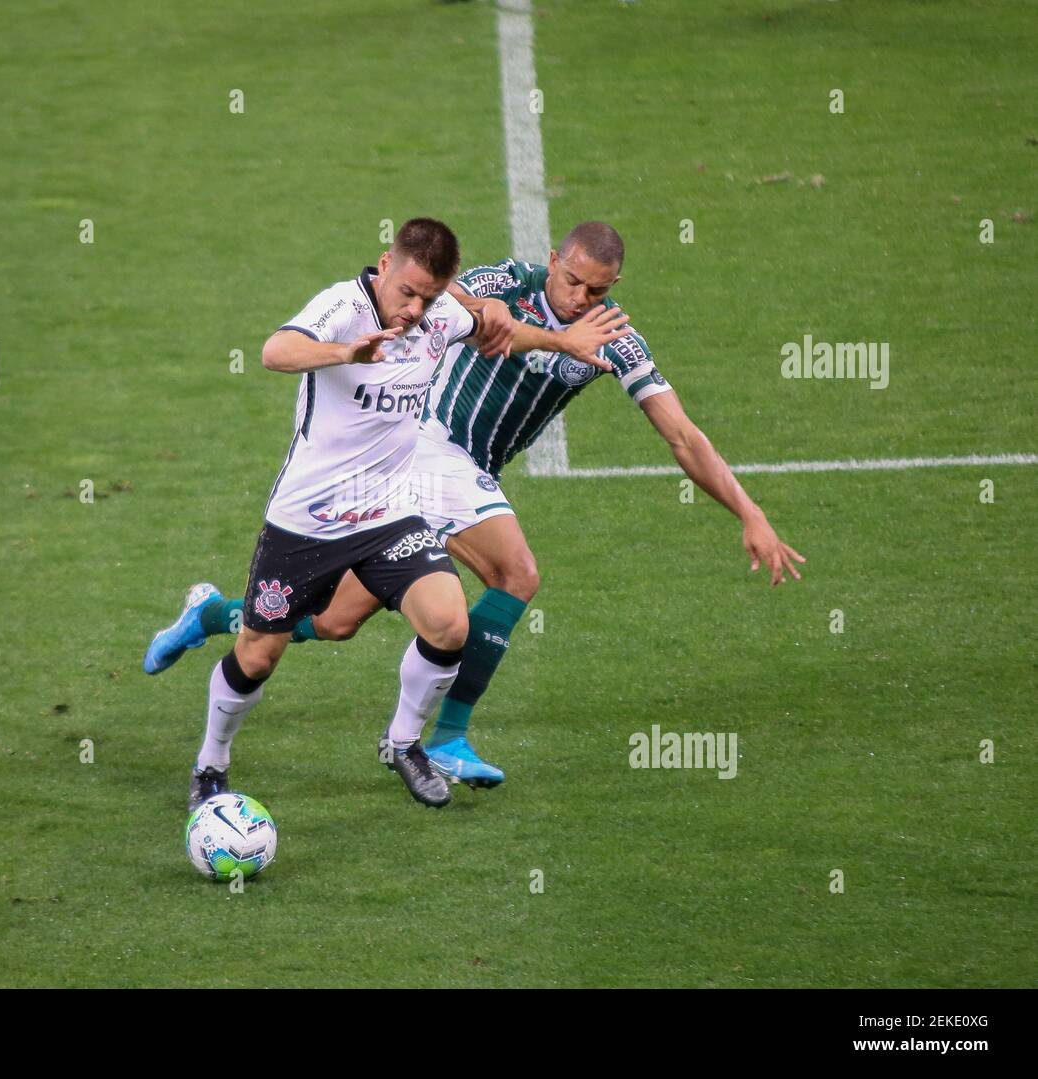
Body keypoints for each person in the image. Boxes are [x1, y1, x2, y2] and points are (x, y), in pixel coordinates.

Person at [151, 220, 804, 790]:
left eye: (598, 291)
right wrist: (478, 309)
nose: (582, 299)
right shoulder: (507, 280)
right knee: (516, 572)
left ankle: (211, 614)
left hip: (449, 474)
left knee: (335, 621)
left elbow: (682, 434)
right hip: (429, 446)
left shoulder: (614, 338)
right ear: (554, 260)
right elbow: (452, 295)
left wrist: (751, 513)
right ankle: (445, 738)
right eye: (573, 281)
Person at [151, 218, 496, 811]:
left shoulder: (443, 316)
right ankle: (211, 763)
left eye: (429, 297)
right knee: (259, 654)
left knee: (449, 624)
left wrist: (568, 343)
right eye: (407, 292)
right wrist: (343, 352)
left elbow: (490, 321)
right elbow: (274, 351)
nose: (414, 309)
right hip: (306, 522)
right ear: (385, 265)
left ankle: (403, 743)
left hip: (389, 514)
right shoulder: (343, 305)